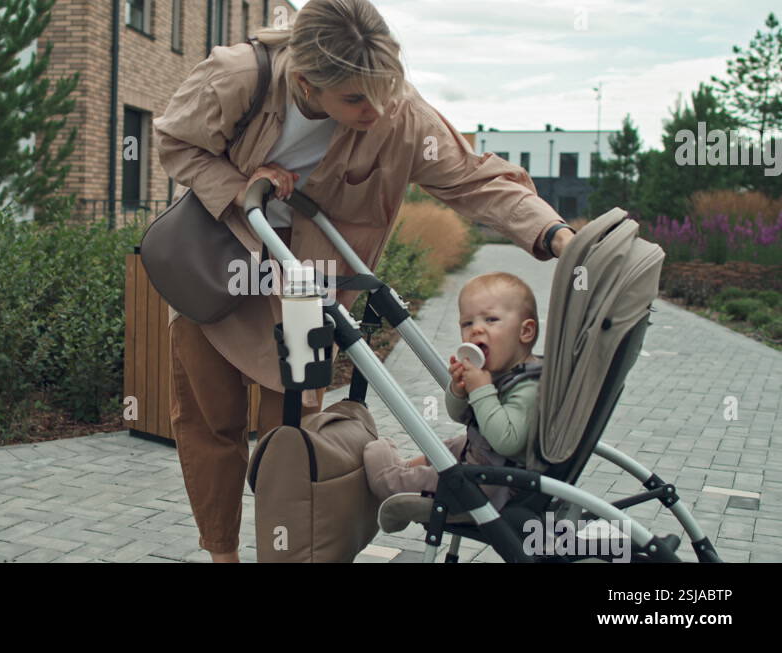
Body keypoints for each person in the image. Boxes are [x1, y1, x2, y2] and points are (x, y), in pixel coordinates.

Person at [152, 0, 576, 562]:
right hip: (217, 270)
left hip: (306, 291)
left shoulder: (399, 114)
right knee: (212, 429)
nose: (376, 109)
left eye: (385, 91)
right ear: (306, 82)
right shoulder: (239, 76)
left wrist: (554, 234)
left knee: (295, 441)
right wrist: (239, 184)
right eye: (355, 99)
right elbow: (176, 142)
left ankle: (289, 552)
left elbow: (475, 180)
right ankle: (223, 554)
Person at [363, 272, 543, 532]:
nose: (476, 329)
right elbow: (461, 417)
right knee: (454, 445)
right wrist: (459, 391)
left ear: (525, 331)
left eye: (491, 319)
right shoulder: (504, 370)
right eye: (467, 323)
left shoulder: (528, 388)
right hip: (485, 464)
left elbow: (507, 441)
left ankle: (390, 475)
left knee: (391, 469)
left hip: (489, 489)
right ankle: (409, 471)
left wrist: (482, 390)